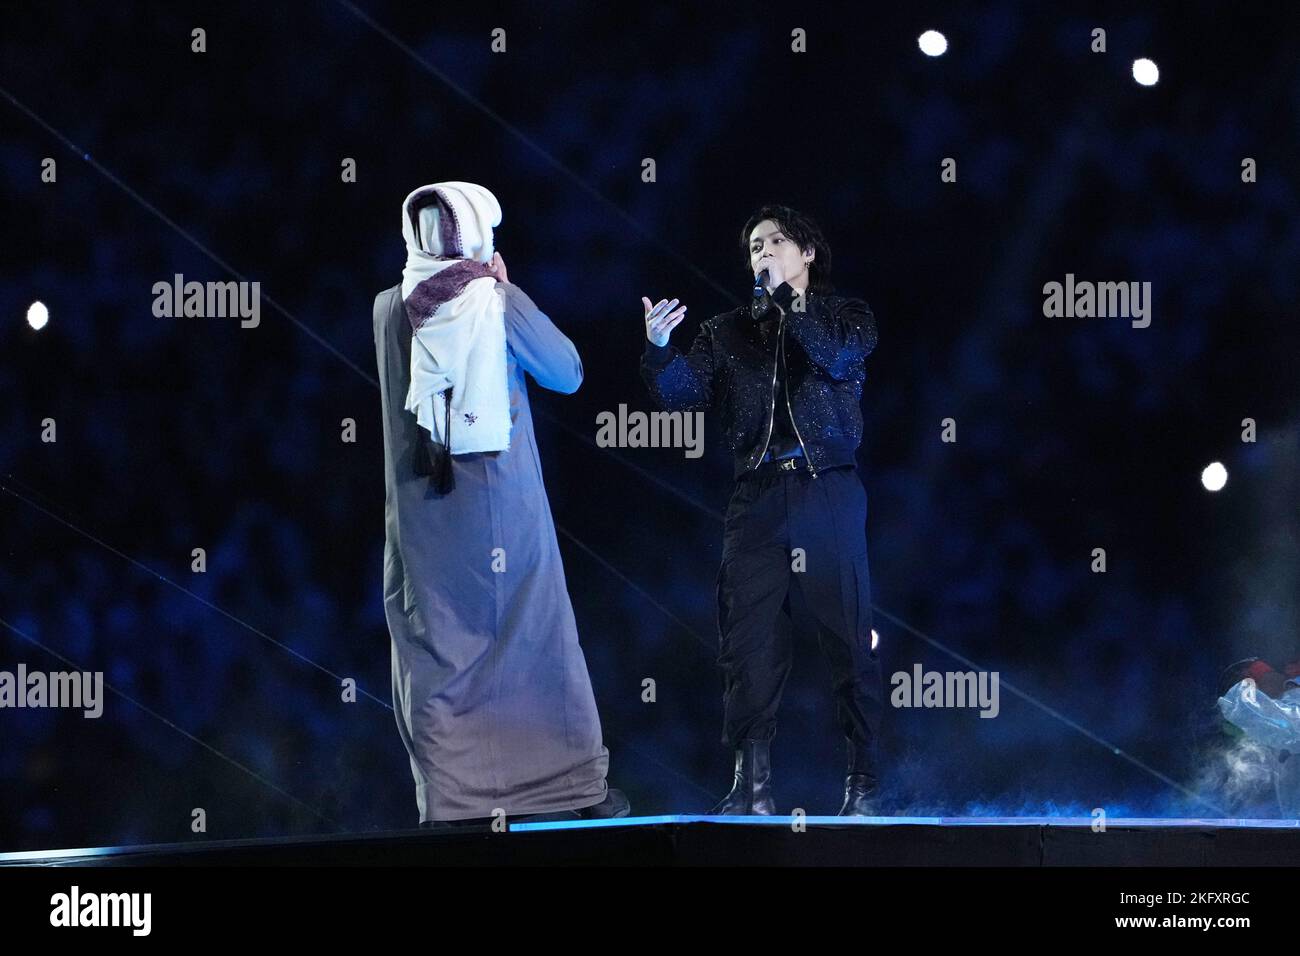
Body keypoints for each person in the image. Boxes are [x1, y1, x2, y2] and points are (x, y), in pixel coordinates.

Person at [374, 180, 627, 825]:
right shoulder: (494, 299)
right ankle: (567, 789)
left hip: (422, 515)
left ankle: (456, 803)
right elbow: (566, 371)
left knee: (438, 647)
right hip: (500, 507)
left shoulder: (384, 308)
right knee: (530, 633)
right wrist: (502, 292)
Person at [639, 204, 884, 815]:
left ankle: (865, 782)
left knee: (848, 639)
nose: (763, 253)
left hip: (826, 488)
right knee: (746, 640)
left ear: (807, 254)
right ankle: (752, 788)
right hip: (757, 498)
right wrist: (659, 349)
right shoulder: (725, 332)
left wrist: (788, 306)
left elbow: (834, 358)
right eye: (754, 247)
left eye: (776, 242)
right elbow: (678, 396)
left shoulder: (848, 317)